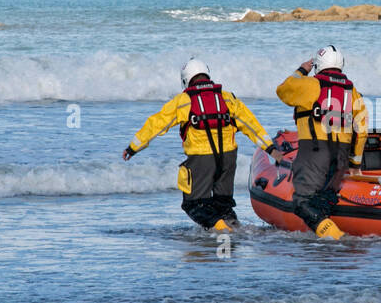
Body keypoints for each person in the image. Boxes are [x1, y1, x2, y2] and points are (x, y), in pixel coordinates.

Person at [123, 58, 281, 232]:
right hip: (228, 158)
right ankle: (234, 232)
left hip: (201, 159)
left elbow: (156, 124)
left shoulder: (183, 101)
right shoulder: (227, 98)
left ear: (185, 79)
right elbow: (252, 125)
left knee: (194, 205)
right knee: (224, 205)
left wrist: (133, 147)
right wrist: (270, 148)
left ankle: (221, 228)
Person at [276, 45, 368, 240]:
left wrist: (301, 70)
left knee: (302, 202)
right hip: (341, 155)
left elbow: (283, 90)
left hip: (315, 152)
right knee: (323, 199)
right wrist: (355, 163)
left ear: (318, 65)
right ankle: (325, 248)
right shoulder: (353, 91)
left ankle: (335, 237)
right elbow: (362, 130)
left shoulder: (311, 85)